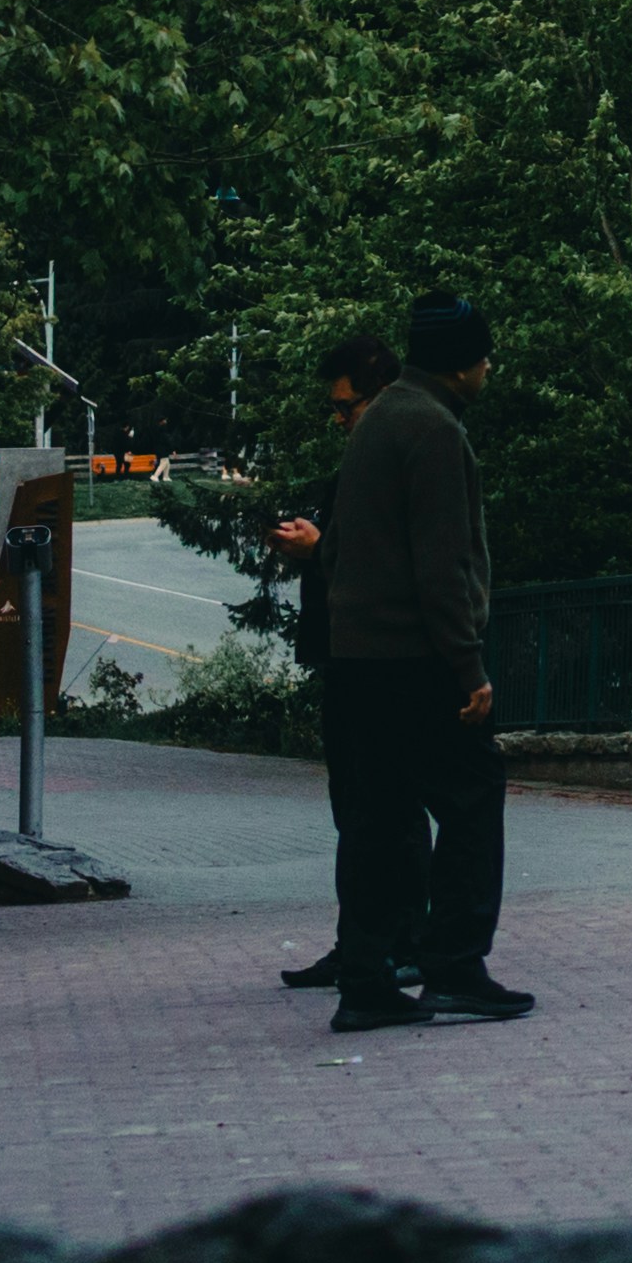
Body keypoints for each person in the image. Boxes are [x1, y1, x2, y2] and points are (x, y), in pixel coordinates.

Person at [309, 293, 526, 1029]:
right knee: (473, 794)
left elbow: (335, 549)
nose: (490, 367)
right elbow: (442, 565)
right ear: (462, 364)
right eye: (484, 356)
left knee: (376, 819)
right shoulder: (434, 431)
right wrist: (469, 667)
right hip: (417, 658)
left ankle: (365, 979)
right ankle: (456, 963)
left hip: (358, 660)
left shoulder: (374, 429)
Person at [261, 329, 403, 993]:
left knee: (382, 810)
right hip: (343, 656)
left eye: (348, 406)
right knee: (353, 807)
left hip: (376, 661)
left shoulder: (399, 462)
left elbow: (383, 568)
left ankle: (389, 945)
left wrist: (317, 549)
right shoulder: (357, 465)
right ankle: (361, 943)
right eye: (337, 409)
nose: (343, 420)